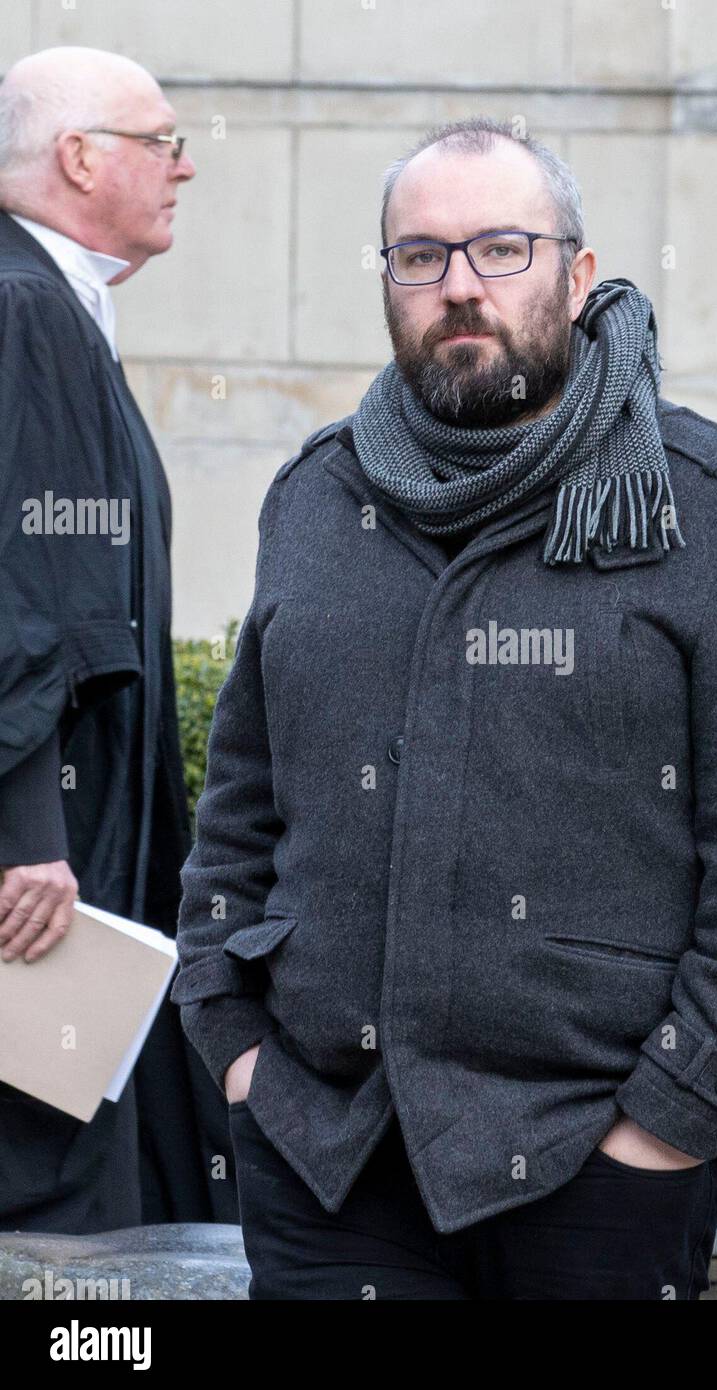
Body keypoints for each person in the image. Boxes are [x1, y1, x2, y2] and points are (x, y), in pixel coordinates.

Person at [172, 115, 717, 1301]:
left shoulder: (709, 507)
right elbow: (239, 803)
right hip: (329, 1156)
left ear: (578, 274)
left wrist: (666, 1126)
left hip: (595, 1167)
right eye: (420, 255)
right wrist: (231, 1039)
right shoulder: (317, 497)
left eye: (500, 249)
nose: (457, 288)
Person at [0, 47, 228, 1233]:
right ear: (79, 157)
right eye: (162, 140)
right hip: (41, 879)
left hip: (62, 853)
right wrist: (26, 834)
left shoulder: (48, 299)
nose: (185, 166)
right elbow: (16, 597)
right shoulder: (25, 305)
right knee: (47, 1198)